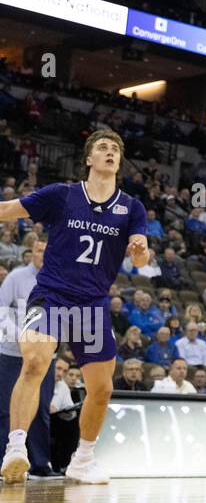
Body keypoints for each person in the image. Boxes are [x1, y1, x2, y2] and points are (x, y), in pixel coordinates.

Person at [1, 130, 149, 484]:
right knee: (35, 362)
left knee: (102, 389)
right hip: (52, 295)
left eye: (115, 149)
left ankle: (82, 460)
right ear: (89, 159)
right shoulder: (62, 194)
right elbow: (8, 210)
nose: (110, 152)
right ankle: (16, 448)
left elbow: (141, 260)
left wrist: (140, 251)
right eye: (103, 147)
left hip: (92, 305)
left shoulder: (132, 208)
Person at [0, 239, 56, 477]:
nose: (43, 254)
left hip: (45, 353)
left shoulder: (59, 279)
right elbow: (1, 310)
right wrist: (21, 337)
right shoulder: (16, 277)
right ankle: (5, 462)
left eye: (47, 250)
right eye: (39, 250)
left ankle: (40, 465)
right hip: (13, 353)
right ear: (32, 252)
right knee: (7, 410)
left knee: (42, 409)